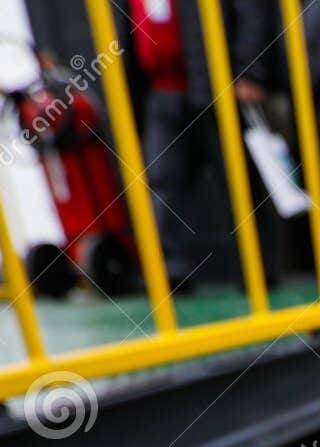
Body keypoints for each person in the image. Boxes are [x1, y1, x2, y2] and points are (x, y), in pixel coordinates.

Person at [122, 0, 285, 289]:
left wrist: (248, 71)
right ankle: (173, 274)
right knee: (163, 181)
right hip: (161, 93)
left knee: (238, 181)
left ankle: (257, 268)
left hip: (216, 88)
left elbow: (249, 14)